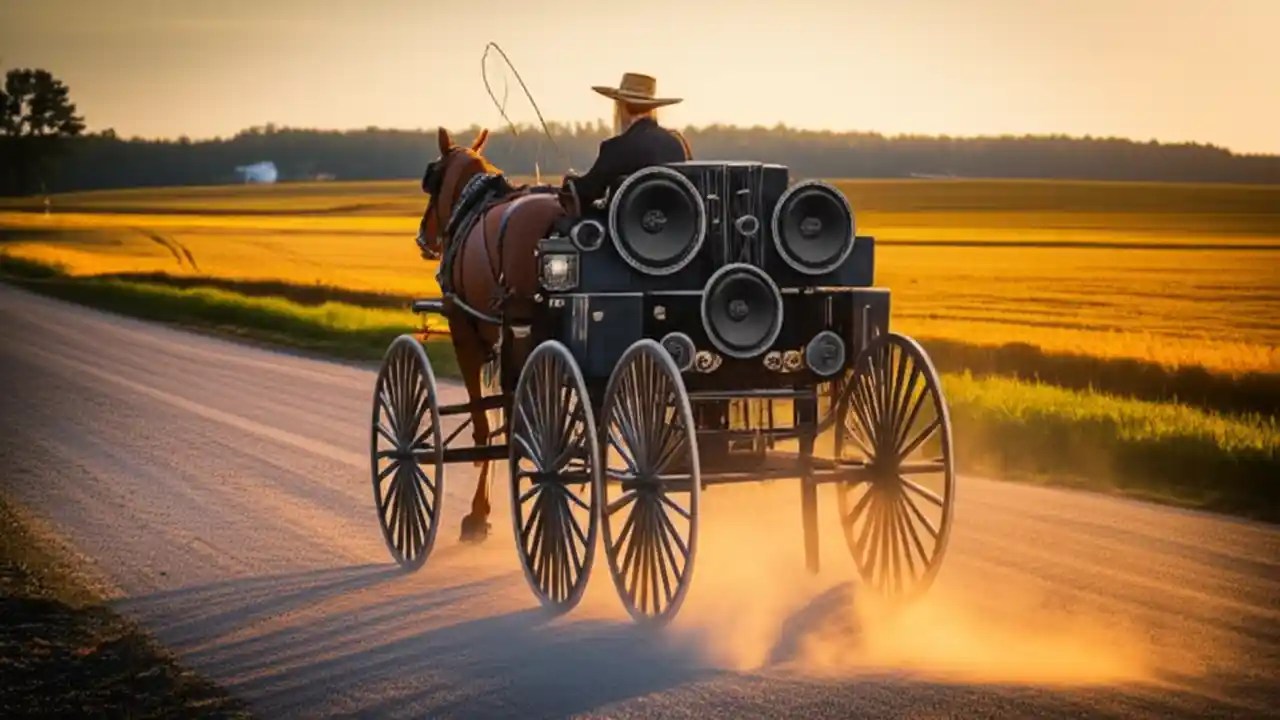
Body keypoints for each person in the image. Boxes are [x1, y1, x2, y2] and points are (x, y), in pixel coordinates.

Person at [563, 73, 692, 210]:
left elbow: (583, 195)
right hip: (674, 226)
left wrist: (570, 182)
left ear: (622, 107)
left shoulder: (615, 148)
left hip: (623, 229)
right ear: (652, 108)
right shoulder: (675, 144)